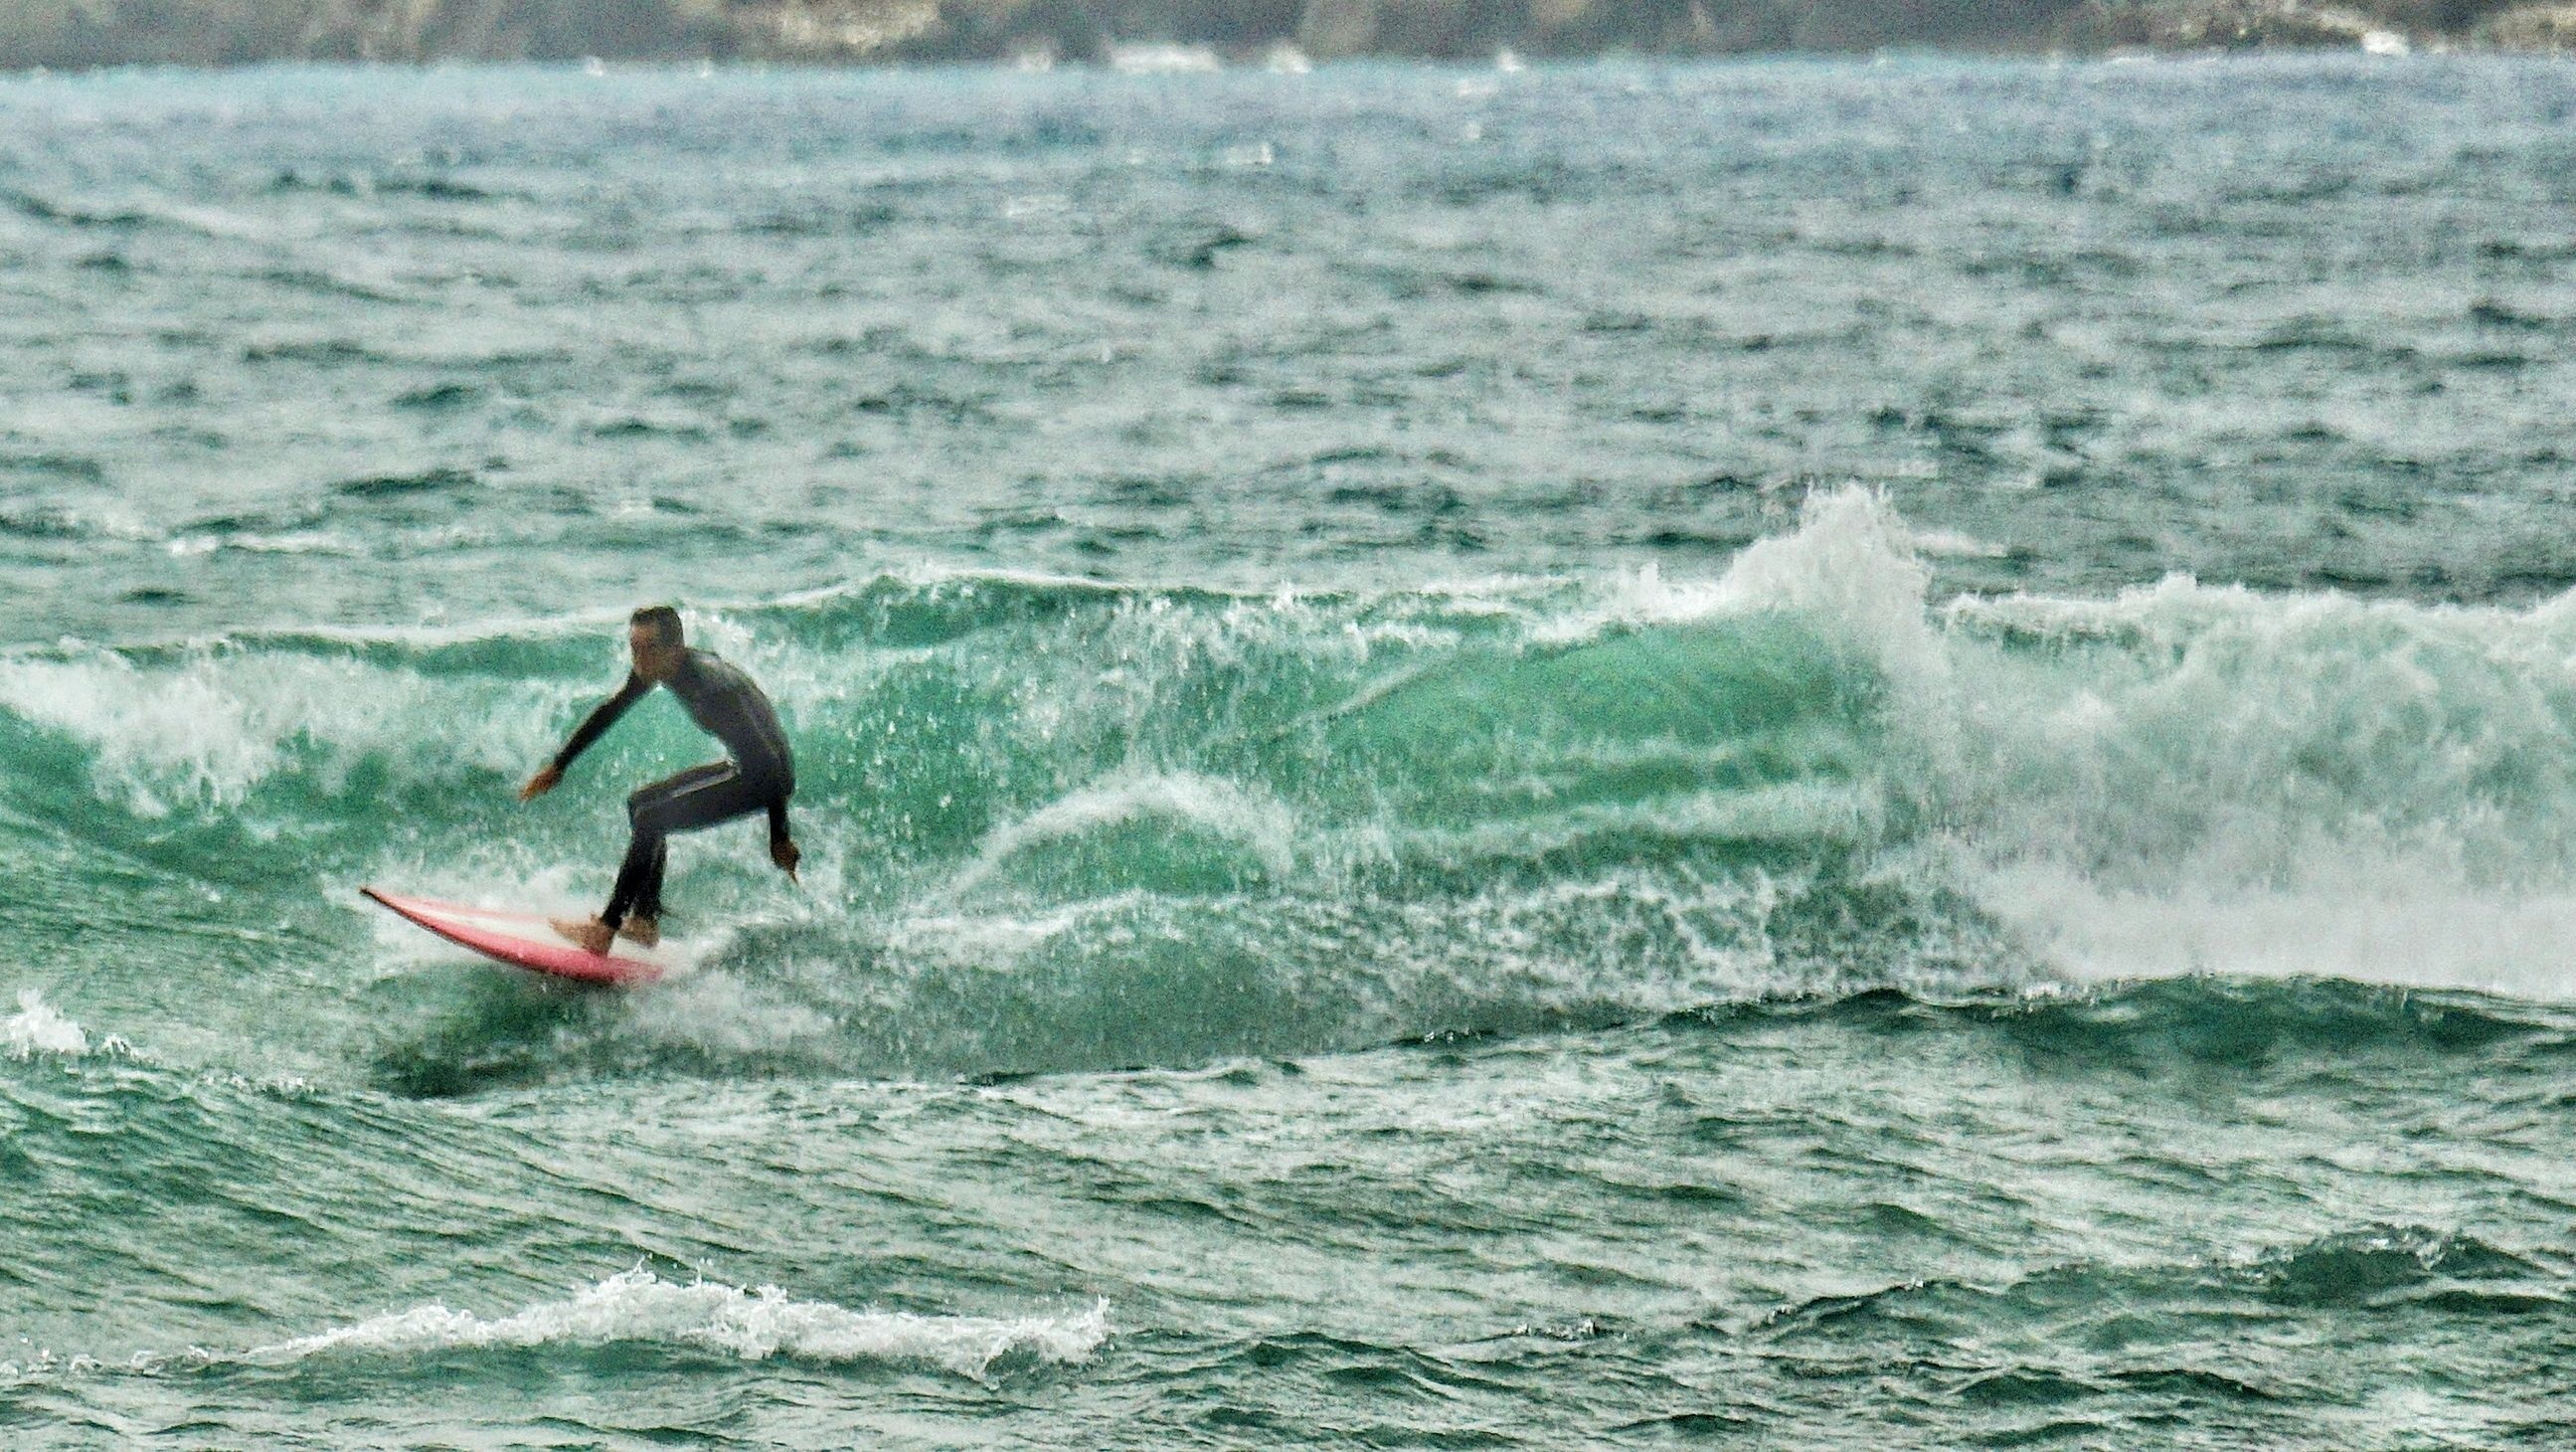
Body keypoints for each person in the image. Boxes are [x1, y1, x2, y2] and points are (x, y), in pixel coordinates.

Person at [521, 605, 799, 954]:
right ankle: (643, 920)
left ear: (675, 649)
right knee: (640, 805)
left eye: (649, 650)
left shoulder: (712, 689)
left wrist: (779, 836)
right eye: (634, 649)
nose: (639, 661)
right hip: (746, 763)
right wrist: (560, 764)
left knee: (652, 818)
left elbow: (771, 764)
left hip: (766, 775)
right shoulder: (661, 669)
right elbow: (612, 709)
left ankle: (603, 932)